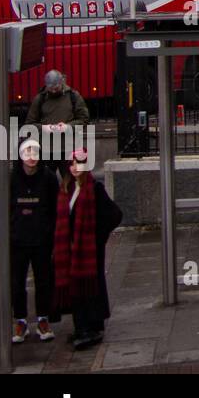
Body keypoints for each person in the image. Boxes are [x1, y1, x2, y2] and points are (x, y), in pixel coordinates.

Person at [53, 149, 122, 350]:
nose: (75, 168)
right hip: (72, 249)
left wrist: (97, 237)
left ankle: (90, 327)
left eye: (79, 163)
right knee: (77, 289)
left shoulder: (94, 188)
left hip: (88, 250)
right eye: (72, 164)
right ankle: (82, 325)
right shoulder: (67, 188)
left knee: (88, 288)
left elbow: (115, 215)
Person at [0, 139, 59, 343]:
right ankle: (20, 320)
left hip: (41, 240)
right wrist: (4, 238)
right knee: (17, 282)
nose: (32, 157)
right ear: (21, 155)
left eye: (35, 153)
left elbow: (55, 208)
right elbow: (0, 211)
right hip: (17, 241)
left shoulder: (48, 177)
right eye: (27, 152)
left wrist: (51, 234)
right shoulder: (10, 179)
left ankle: (43, 319)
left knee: (44, 281)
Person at [27, 70, 90, 169]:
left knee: (69, 181)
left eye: (56, 88)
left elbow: (84, 119)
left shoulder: (73, 96)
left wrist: (68, 127)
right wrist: (44, 128)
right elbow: (30, 124)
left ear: (62, 83)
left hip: (68, 149)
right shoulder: (40, 99)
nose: (53, 91)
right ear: (46, 86)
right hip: (47, 150)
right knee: (47, 182)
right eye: (51, 89)